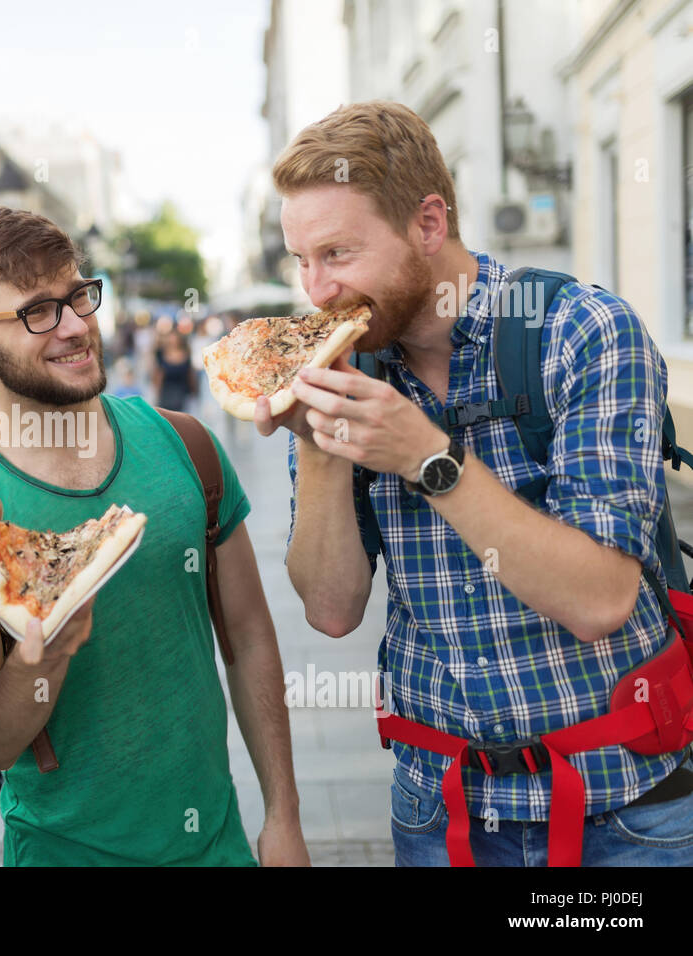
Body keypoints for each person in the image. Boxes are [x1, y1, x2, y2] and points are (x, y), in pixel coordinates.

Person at [257, 99, 693, 866]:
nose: (317, 291)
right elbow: (330, 611)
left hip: (622, 810)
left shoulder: (583, 334)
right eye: (301, 260)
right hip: (441, 810)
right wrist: (320, 447)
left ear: (429, 223)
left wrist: (430, 457)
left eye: (338, 254)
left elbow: (599, 601)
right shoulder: (344, 368)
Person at [0, 206, 308, 867]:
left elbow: (248, 636)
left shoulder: (186, 444)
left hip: (218, 845)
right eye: (38, 311)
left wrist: (284, 817)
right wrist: (49, 652)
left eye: (78, 296)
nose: (75, 326)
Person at [152, 330, 195, 411]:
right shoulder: (161, 354)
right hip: (166, 393)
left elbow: (190, 374)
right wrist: (156, 393)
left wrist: (194, 391)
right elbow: (158, 375)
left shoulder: (186, 354)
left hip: (182, 393)